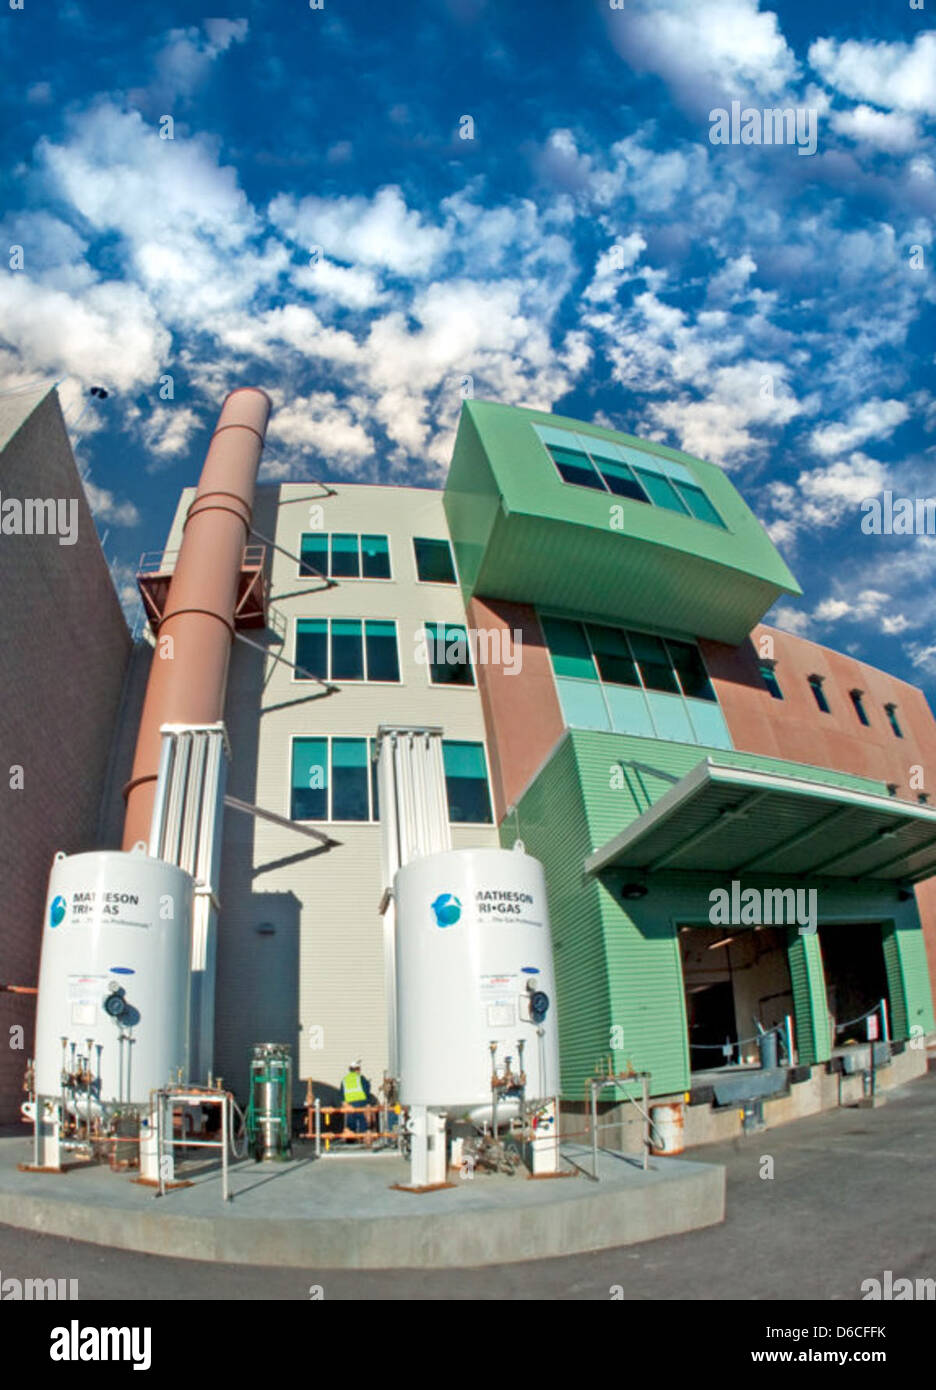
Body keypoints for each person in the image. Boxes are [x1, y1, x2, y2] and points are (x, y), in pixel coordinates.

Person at [341, 1060, 373, 1135]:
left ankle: (351, 1140)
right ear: (357, 1069)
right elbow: (366, 1090)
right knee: (363, 1121)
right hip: (361, 1103)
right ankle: (363, 1138)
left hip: (349, 1105)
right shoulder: (360, 1078)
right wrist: (368, 1102)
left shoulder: (345, 1079)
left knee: (351, 1123)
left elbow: (341, 1093)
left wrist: (344, 1103)